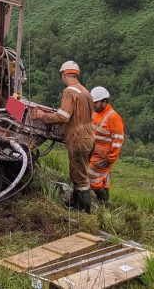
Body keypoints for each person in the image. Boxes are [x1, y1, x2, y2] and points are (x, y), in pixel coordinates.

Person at [31, 60, 95, 212]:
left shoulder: (69, 92)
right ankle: (75, 203)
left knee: (79, 175)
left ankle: (84, 210)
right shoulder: (85, 92)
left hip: (78, 138)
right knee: (78, 171)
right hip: (89, 136)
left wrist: (42, 115)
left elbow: (63, 116)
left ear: (64, 74)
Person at [88, 86, 125, 206]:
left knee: (91, 178)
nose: (93, 105)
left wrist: (110, 159)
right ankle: (104, 206)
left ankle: (103, 203)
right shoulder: (95, 113)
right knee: (103, 179)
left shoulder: (113, 117)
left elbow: (118, 141)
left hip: (104, 157)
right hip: (94, 153)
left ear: (103, 101)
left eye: (95, 103)